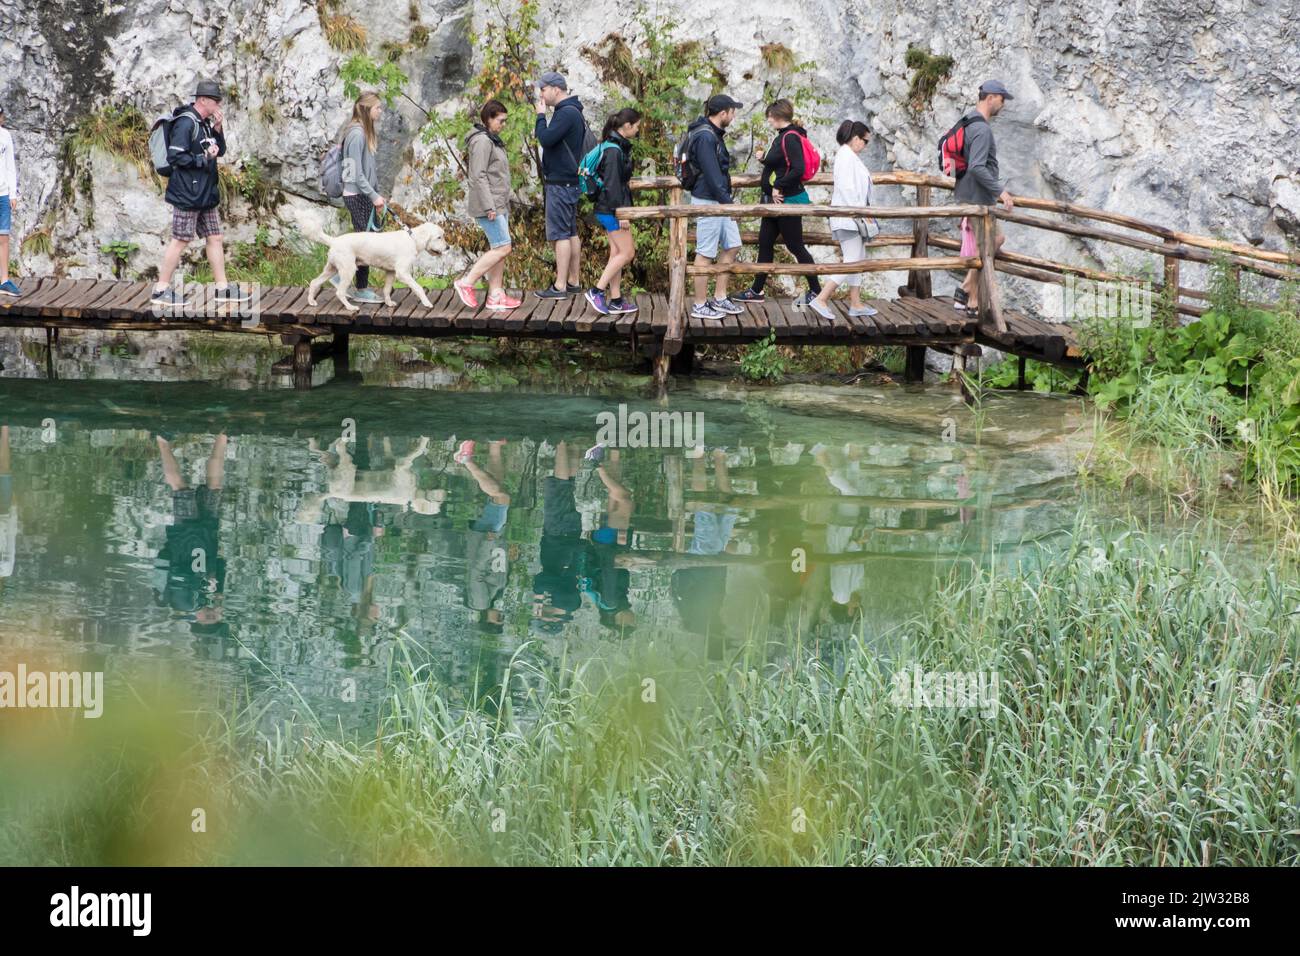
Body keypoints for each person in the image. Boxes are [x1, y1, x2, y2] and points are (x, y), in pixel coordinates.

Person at [150, 79, 250, 307]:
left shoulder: (205, 123)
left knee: (215, 237)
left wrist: (217, 129)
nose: (219, 104)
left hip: (205, 193)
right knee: (180, 240)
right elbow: (176, 156)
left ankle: (222, 289)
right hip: (187, 194)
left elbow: (220, 151)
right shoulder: (186, 123)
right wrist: (202, 158)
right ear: (203, 100)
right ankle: (161, 290)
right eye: (216, 100)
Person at [733, 99, 820, 305]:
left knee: (795, 245)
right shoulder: (784, 136)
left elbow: (797, 169)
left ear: (777, 116)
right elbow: (781, 163)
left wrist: (778, 185)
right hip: (774, 203)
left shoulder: (790, 137)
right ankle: (756, 290)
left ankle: (816, 291)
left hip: (785, 200)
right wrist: (764, 159)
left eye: (770, 116)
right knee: (765, 243)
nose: (768, 120)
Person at [952, 80, 1015, 314]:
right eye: (1002, 98)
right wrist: (1000, 190)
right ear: (990, 98)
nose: (1003, 104)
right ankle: (968, 292)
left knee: (987, 245)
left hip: (969, 195)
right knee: (992, 242)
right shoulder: (982, 129)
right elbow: (978, 167)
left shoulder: (968, 121)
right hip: (977, 198)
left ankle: (968, 297)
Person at [809, 119, 878, 320]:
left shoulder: (848, 156)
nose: (865, 146)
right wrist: (858, 213)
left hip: (853, 217)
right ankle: (821, 298)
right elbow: (848, 188)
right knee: (851, 260)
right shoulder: (846, 157)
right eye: (865, 142)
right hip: (849, 217)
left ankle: (855, 303)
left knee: (858, 258)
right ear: (856, 138)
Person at [455, 100, 520, 311]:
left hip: (498, 203)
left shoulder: (492, 139)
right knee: (503, 247)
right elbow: (477, 176)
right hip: (490, 205)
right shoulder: (482, 141)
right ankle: (466, 283)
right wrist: (489, 206)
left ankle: (495, 295)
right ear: (489, 118)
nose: (503, 125)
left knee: (498, 248)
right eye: (500, 121)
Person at [686, 94, 746, 320]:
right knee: (705, 252)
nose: (734, 115)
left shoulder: (712, 134)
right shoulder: (705, 137)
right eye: (733, 111)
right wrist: (730, 206)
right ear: (723, 113)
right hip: (709, 201)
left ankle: (720, 297)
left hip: (719, 200)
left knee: (733, 245)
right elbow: (712, 175)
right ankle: (700, 304)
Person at [532, 72, 587, 299]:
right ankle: (573, 281)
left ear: (556, 89)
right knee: (570, 231)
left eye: (543, 90)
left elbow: (545, 138)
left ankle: (560, 286)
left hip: (561, 182)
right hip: (569, 180)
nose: (541, 96)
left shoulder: (565, 114)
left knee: (560, 235)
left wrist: (540, 116)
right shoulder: (573, 112)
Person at [586, 107, 641, 316]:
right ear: (626, 126)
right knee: (627, 252)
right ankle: (597, 291)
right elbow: (613, 185)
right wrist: (623, 213)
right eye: (636, 127)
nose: (637, 131)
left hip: (607, 208)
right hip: (611, 210)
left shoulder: (614, 146)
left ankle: (616, 299)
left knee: (616, 253)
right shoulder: (613, 151)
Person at [338, 91, 387, 304]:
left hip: (361, 195)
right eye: (378, 107)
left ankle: (342, 278)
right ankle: (360, 288)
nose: (380, 111)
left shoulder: (361, 132)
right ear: (367, 110)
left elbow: (365, 171)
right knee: (364, 244)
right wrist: (374, 196)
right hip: (356, 195)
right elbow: (355, 174)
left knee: (364, 240)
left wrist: (375, 195)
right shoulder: (357, 134)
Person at [0, 105, 20, 297]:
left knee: (3, 238)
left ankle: (4, 280)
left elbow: (10, 166)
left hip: (3, 193)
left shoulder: (5, 136)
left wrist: (13, 194)